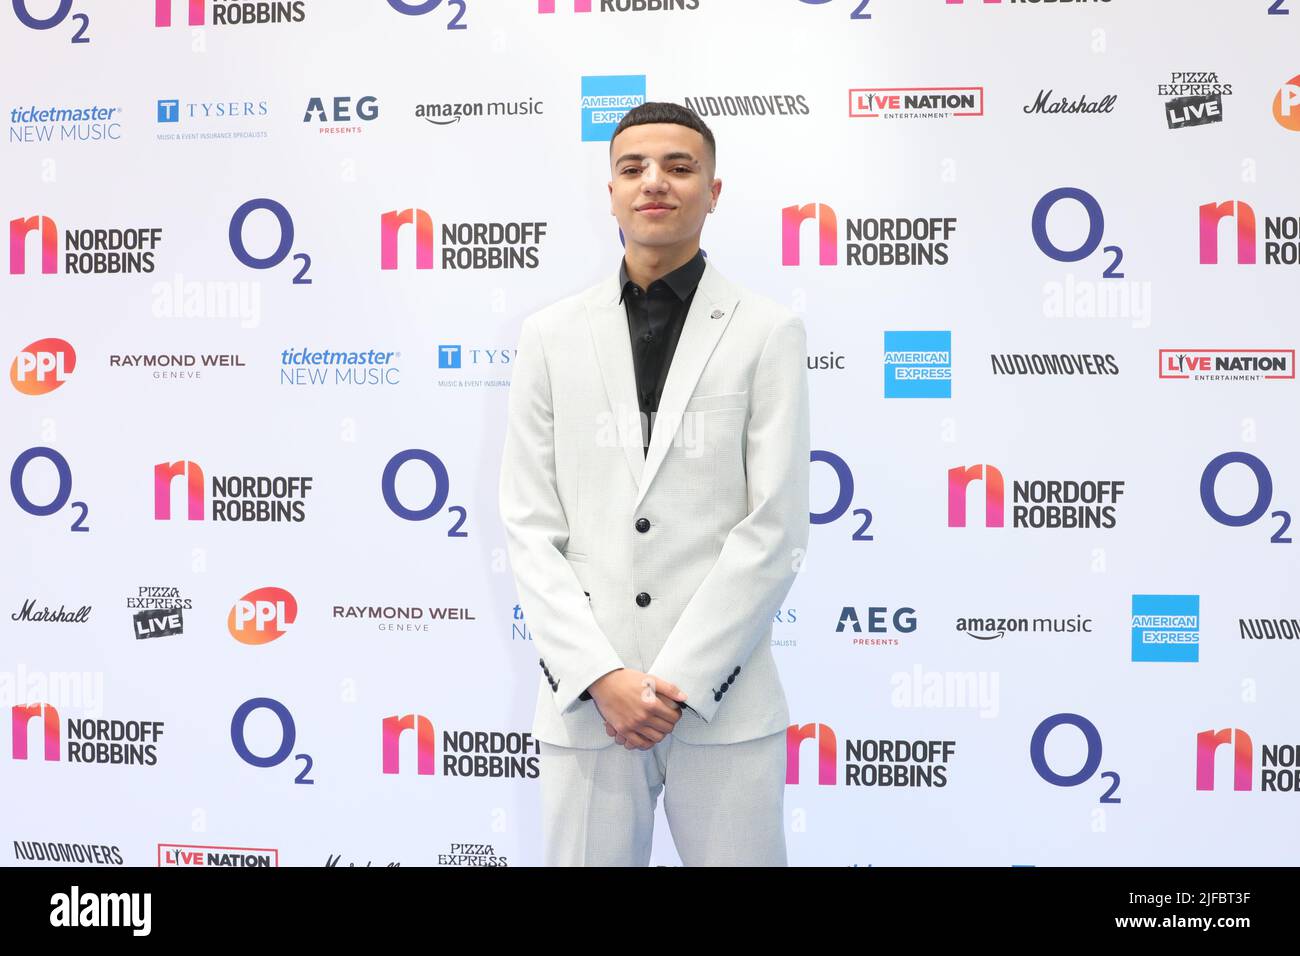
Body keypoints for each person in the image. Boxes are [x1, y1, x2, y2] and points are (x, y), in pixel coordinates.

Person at [498, 102, 810, 866]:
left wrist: (677, 681)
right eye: (634, 168)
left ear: (713, 189)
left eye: (679, 166)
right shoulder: (548, 336)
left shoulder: (767, 331)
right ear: (610, 190)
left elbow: (773, 527)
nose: (655, 183)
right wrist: (601, 676)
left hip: (725, 707)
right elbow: (529, 527)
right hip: (586, 706)